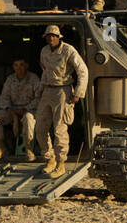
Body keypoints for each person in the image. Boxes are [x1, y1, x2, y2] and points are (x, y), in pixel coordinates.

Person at [37, 25, 89, 175]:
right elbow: (45, 71)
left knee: (59, 129)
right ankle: (49, 159)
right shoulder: (44, 51)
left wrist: (78, 93)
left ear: (59, 37)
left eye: (54, 35)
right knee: (40, 128)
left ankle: (61, 164)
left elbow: (83, 71)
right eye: (48, 36)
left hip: (63, 90)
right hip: (47, 90)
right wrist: (40, 91)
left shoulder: (68, 50)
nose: (51, 38)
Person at [0, 58, 42, 162]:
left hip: (30, 109)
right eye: (16, 65)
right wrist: (10, 111)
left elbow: (39, 98)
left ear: (26, 66)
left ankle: (28, 149)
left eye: (21, 65)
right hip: (13, 110)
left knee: (28, 118)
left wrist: (26, 109)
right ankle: (1, 148)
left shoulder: (33, 78)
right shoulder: (10, 79)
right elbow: (4, 98)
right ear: (13, 67)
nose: (19, 68)